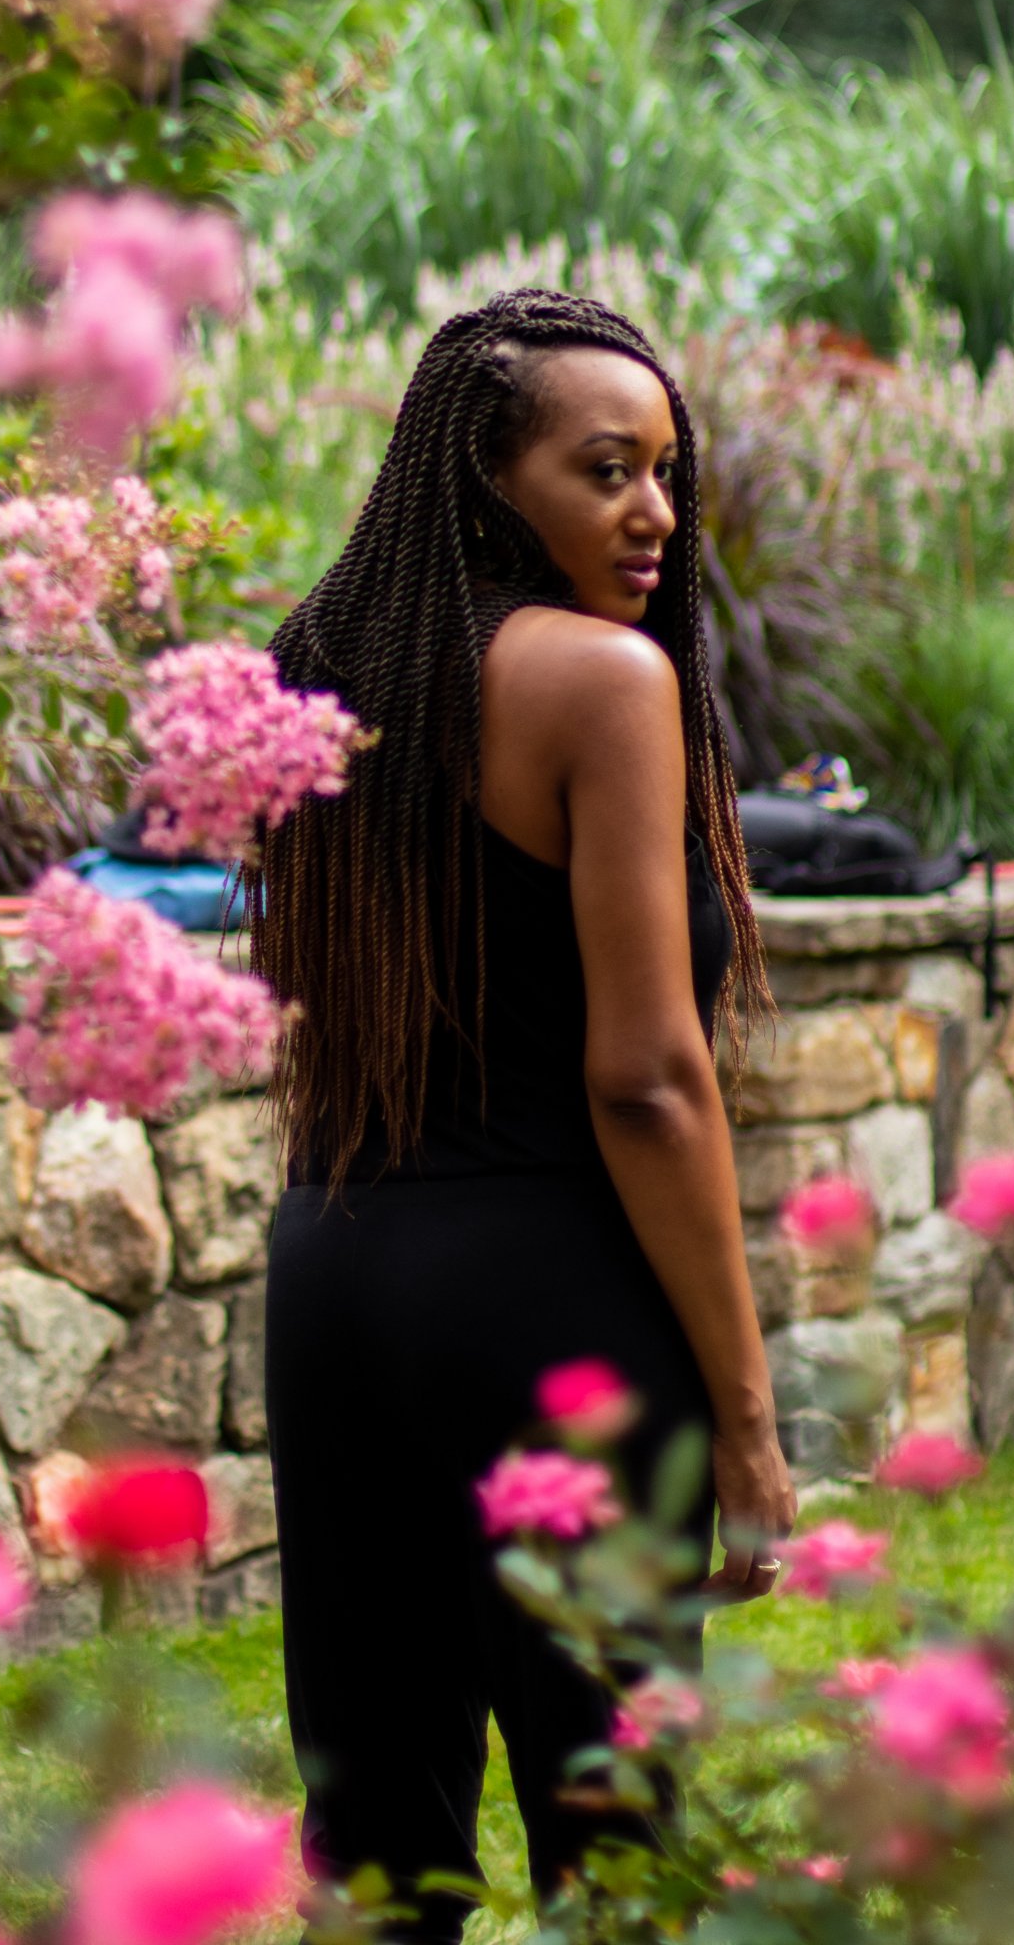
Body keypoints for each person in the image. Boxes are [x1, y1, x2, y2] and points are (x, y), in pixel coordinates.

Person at [249, 289, 797, 1934]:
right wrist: (751, 1430)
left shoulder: (325, 672)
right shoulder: (604, 685)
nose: (653, 515)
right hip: (547, 1302)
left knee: (381, 1844)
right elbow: (642, 1079)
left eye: (665, 476)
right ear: (490, 479)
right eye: (606, 471)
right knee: (610, 1838)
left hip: (338, 1277)